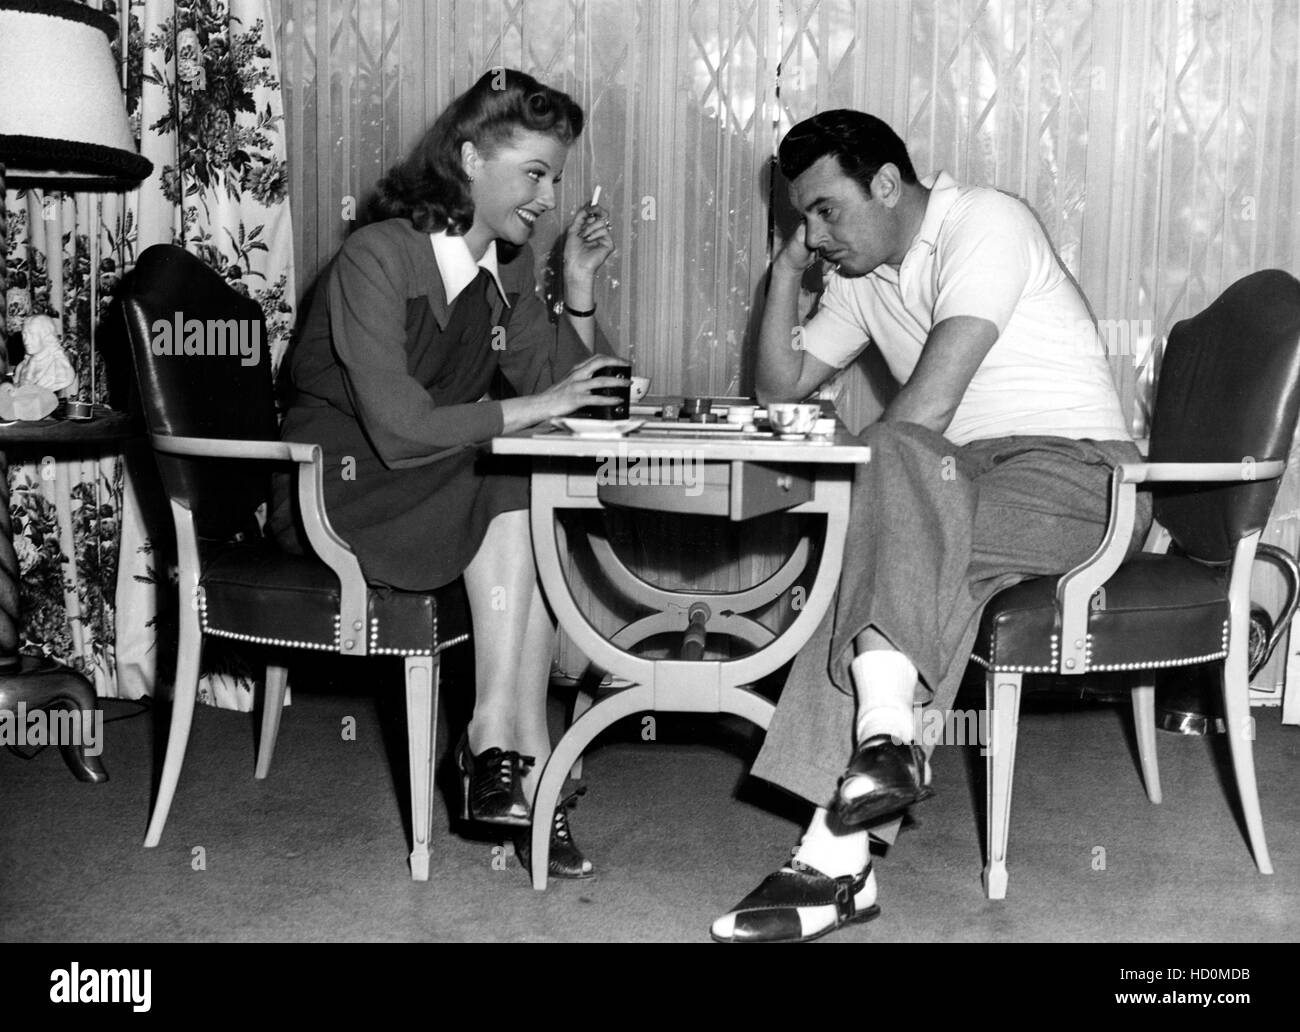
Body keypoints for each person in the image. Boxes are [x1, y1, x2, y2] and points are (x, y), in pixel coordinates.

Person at [711, 110, 1152, 942]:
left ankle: (844, 833)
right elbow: (778, 392)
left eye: (826, 210)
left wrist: (883, 479)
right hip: (963, 479)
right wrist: (782, 275)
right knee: (907, 530)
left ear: (886, 184)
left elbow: (932, 404)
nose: (815, 234)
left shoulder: (984, 223)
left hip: (1081, 478)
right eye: (800, 218)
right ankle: (868, 786)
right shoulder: (860, 278)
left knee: (890, 499)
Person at [270, 69, 627, 879]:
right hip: (340, 486)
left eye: (556, 178)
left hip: (439, 476)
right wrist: (536, 409)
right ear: (468, 158)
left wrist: (574, 289)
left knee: (532, 484)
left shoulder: (508, 262)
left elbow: (569, 398)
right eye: (534, 172)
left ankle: (510, 755)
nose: (546, 195)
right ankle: (505, 750)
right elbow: (397, 430)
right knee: (514, 475)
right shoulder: (379, 254)